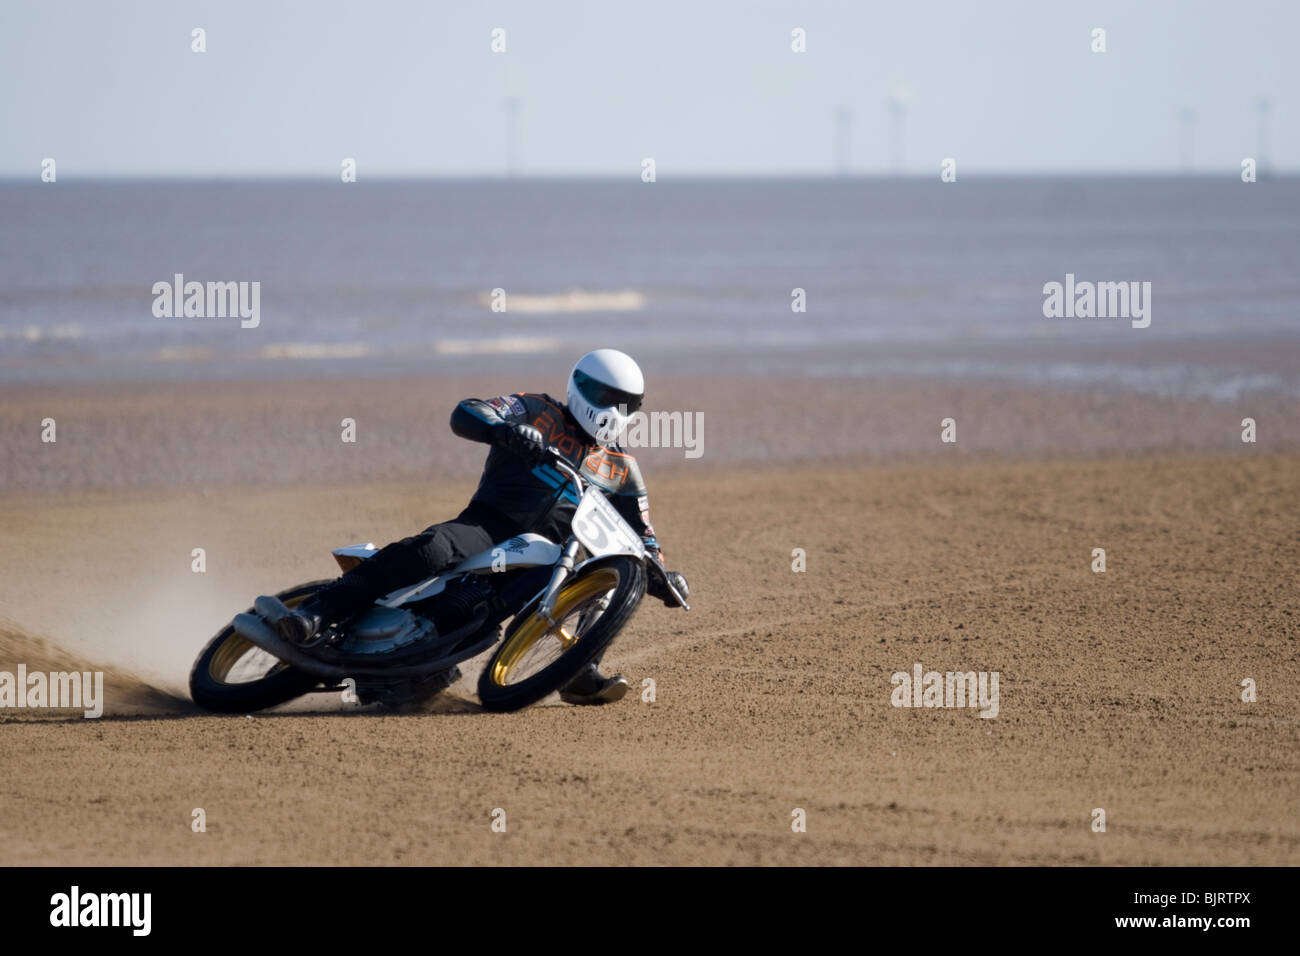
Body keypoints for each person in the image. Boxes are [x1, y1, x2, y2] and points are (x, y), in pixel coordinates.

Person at [256, 348, 688, 705]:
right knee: (433, 550)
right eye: (604, 395)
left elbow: (642, 534)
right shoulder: (539, 410)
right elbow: (468, 411)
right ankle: (317, 611)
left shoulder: (622, 469)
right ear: (579, 387)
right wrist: (504, 432)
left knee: (604, 582)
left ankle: (577, 668)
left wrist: (663, 574)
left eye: (625, 403)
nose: (613, 410)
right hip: (491, 525)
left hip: (555, 556)